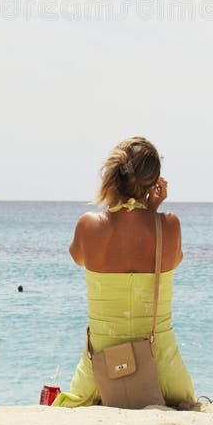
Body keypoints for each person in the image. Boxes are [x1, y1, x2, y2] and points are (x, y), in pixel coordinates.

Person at [53, 136, 195, 409]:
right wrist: (152, 212)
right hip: (163, 377)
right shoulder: (169, 225)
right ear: (153, 181)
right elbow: (173, 260)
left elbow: (78, 257)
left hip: (100, 375)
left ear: (113, 174)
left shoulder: (88, 225)